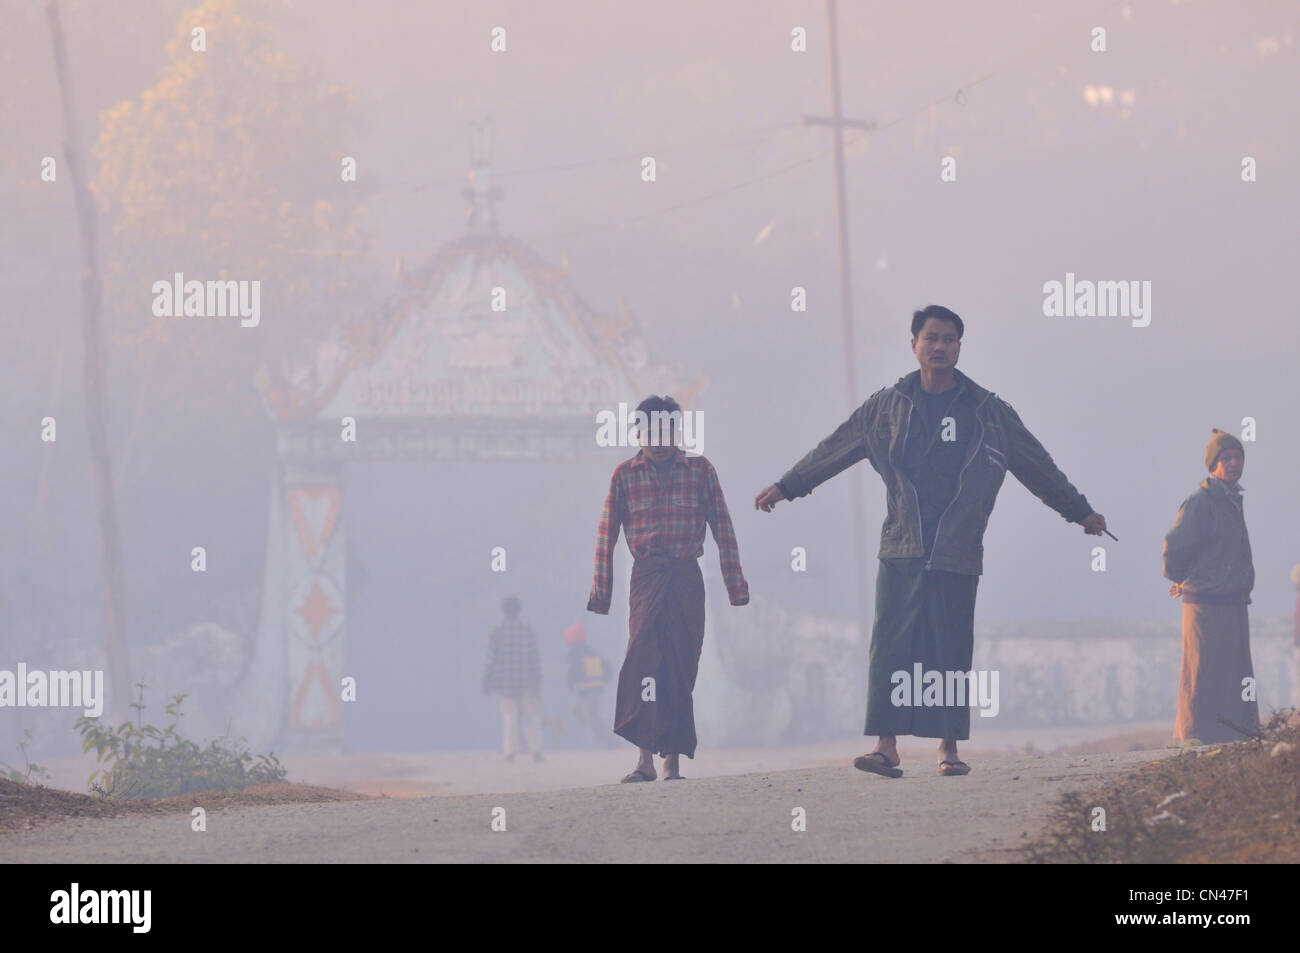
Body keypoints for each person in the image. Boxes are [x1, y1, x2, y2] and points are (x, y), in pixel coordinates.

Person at [755, 305, 1107, 778]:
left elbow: (1037, 466)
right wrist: (787, 485)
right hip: (902, 543)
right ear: (914, 344)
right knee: (892, 647)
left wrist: (1079, 510)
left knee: (949, 648)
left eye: (949, 339)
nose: (939, 346)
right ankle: (886, 746)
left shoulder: (989, 412)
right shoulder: (888, 405)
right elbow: (836, 447)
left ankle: (949, 748)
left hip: (956, 550)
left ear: (960, 348)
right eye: (931, 338)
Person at [587, 395, 749, 782]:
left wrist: (735, 586)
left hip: (685, 579)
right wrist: (602, 592)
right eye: (650, 431)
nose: (659, 440)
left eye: (667, 431)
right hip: (646, 579)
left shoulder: (700, 471)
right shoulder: (624, 475)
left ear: (679, 433)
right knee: (644, 663)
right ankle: (643, 760)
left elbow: (723, 529)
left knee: (679, 667)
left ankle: (671, 762)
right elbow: (606, 535)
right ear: (637, 433)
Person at [1162, 431, 1260, 744]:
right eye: (1226, 458)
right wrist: (1185, 579)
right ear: (1213, 464)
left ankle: (1234, 736)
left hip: (1232, 601)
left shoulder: (1232, 500)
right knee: (1201, 674)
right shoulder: (1200, 501)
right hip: (1205, 605)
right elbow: (1173, 551)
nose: (1233, 463)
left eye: (1238, 457)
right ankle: (1193, 738)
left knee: (1233, 675)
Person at [482, 595, 544, 762]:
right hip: (527, 680)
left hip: (506, 682)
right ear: (519, 610)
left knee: (510, 717)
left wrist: (486, 680)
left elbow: (491, 658)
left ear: (503, 611)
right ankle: (536, 751)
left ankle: (510, 752)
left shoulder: (497, 631)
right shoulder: (527, 630)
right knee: (532, 717)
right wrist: (537, 680)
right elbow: (534, 657)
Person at [563, 623, 614, 748]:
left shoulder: (574, 653)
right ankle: (605, 738)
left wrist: (570, 685)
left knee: (592, 718)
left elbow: (573, 671)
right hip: (596, 691)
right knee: (590, 716)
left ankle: (608, 741)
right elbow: (606, 668)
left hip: (588, 693)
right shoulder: (590, 651)